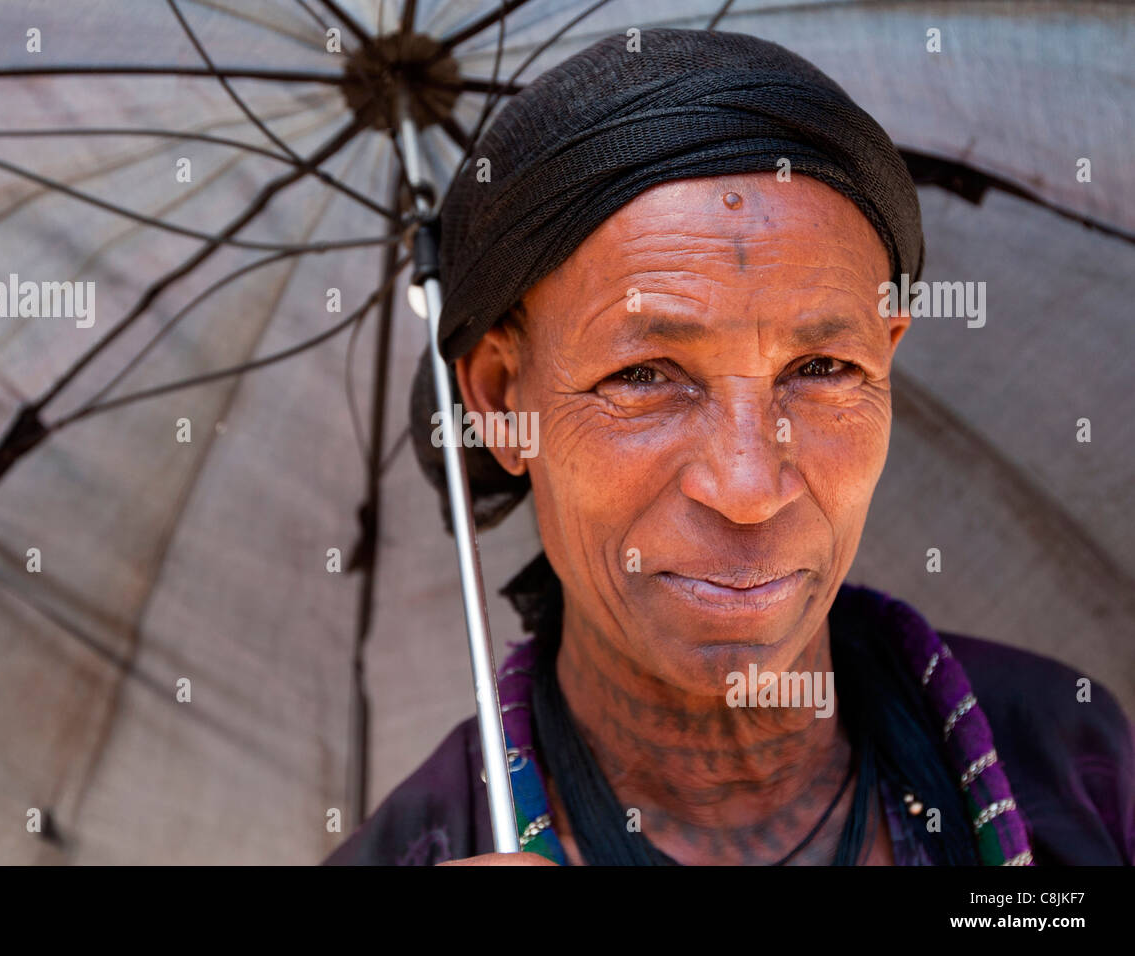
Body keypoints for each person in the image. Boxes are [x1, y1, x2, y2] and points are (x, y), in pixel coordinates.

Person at [324, 28, 1134, 866]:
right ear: (498, 396)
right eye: (644, 375)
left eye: (822, 367)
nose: (749, 485)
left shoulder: (1070, 759)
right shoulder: (415, 852)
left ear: (887, 354)